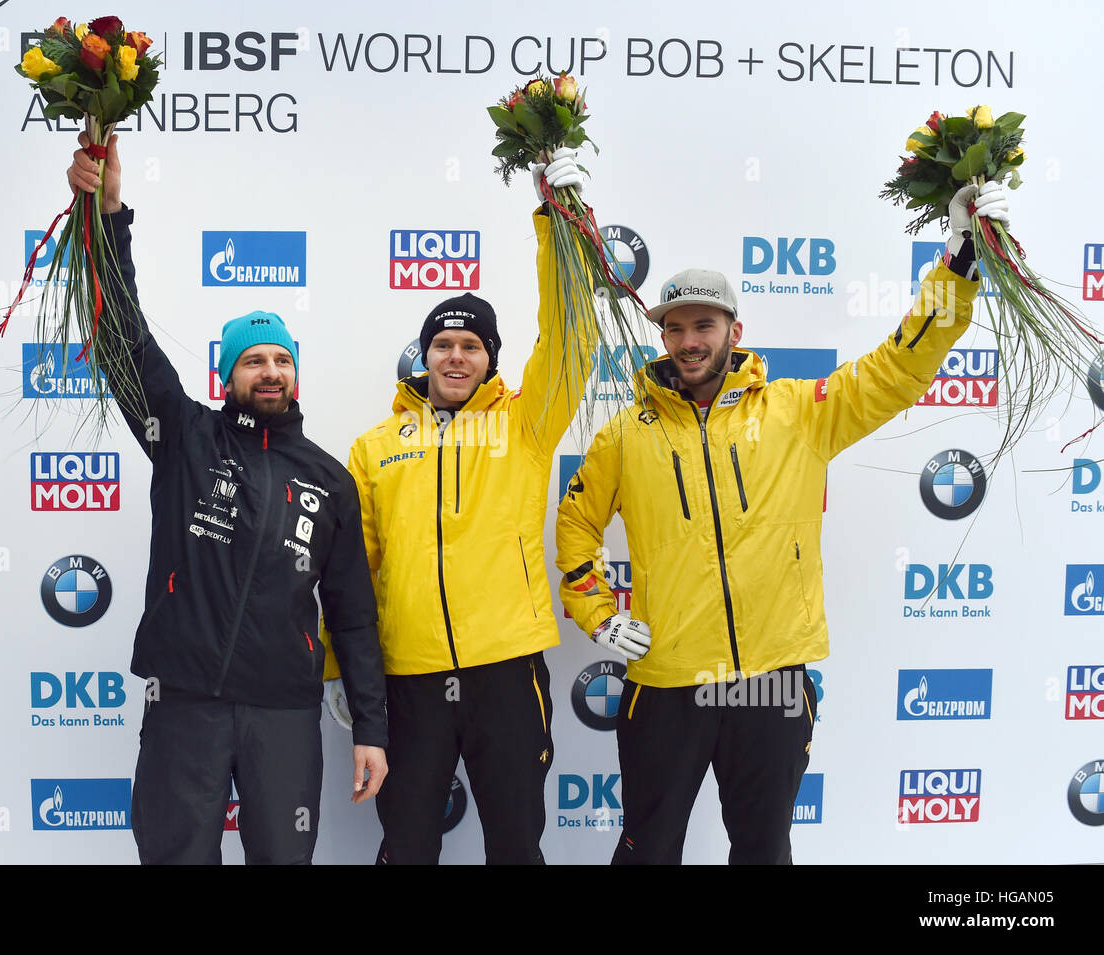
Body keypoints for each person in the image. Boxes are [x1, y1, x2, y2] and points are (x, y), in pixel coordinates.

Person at [555, 181, 1011, 864]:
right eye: (675, 327)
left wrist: (957, 265)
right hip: (666, 681)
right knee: (646, 849)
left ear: (735, 332)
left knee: (764, 849)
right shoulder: (626, 432)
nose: (688, 340)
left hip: (770, 681)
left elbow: (899, 368)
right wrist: (595, 611)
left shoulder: (797, 411)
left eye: (704, 325)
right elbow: (574, 525)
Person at [66, 132, 388, 865]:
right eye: (252, 359)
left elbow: (353, 614)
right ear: (227, 375)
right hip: (187, 704)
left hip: (284, 709)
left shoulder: (329, 478)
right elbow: (122, 335)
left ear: (296, 375)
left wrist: (371, 725)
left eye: (281, 359)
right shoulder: (184, 436)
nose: (269, 371)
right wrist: (107, 216)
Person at [323, 149, 596, 864]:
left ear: (490, 358)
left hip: (505, 672)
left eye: (471, 345)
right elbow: (352, 572)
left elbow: (572, 340)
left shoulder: (525, 425)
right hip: (406, 678)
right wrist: (339, 672)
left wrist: (557, 221)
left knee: (514, 842)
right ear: (424, 354)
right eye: (442, 343)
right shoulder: (376, 446)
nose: (454, 357)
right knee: (407, 844)